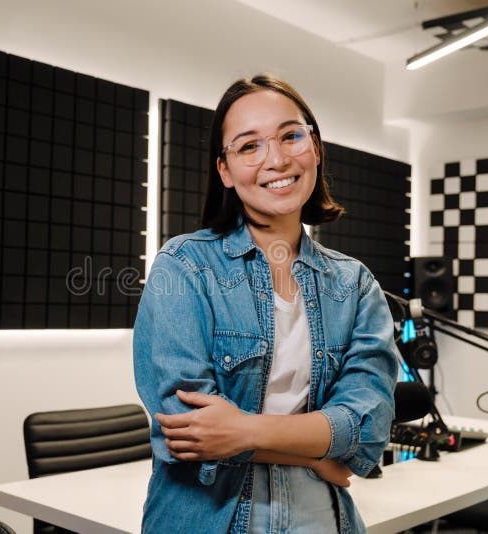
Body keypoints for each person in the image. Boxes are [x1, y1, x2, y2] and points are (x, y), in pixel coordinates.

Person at [133, 74, 398, 534]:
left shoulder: (355, 283)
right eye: (249, 146)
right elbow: (188, 430)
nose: (276, 159)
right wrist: (321, 457)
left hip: (322, 518)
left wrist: (248, 431)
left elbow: (369, 425)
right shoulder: (184, 266)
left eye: (290, 136)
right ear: (225, 171)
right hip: (207, 517)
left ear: (314, 148)